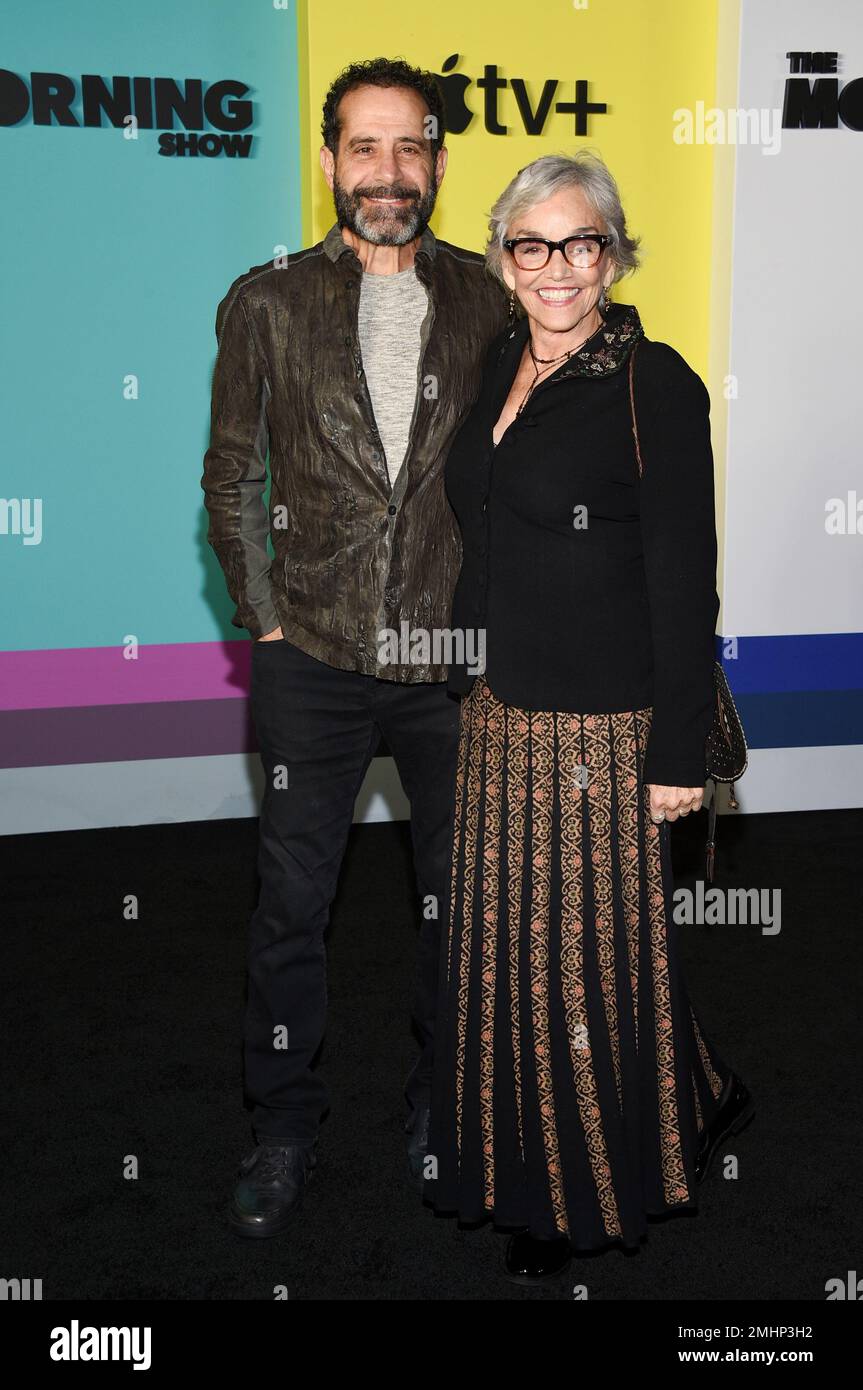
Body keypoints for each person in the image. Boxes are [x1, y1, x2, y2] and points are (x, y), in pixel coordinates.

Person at [424, 150, 754, 1283]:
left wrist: (675, 757)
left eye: (581, 244)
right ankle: (696, 1091)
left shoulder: (649, 382)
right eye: (532, 245)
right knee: (509, 955)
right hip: (500, 713)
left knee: (577, 966)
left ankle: (571, 1197)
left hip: (602, 728)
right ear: (501, 257)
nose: (557, 268)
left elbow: (681, 580)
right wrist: (460, 666)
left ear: (611, 253)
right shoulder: (498, 356)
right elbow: (482, 526)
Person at [201, 57, 508, 1239]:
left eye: (411, 147)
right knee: (291, 909)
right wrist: (267, 617)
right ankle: (283, 1128)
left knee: (456, 910)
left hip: (453, 666)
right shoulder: (265, 302)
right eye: (364, 147)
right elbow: (231, 475)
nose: (389, 171)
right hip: (311, 662)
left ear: (436, 161)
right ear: (329, 161)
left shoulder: (490, 299)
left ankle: (443, 1109)